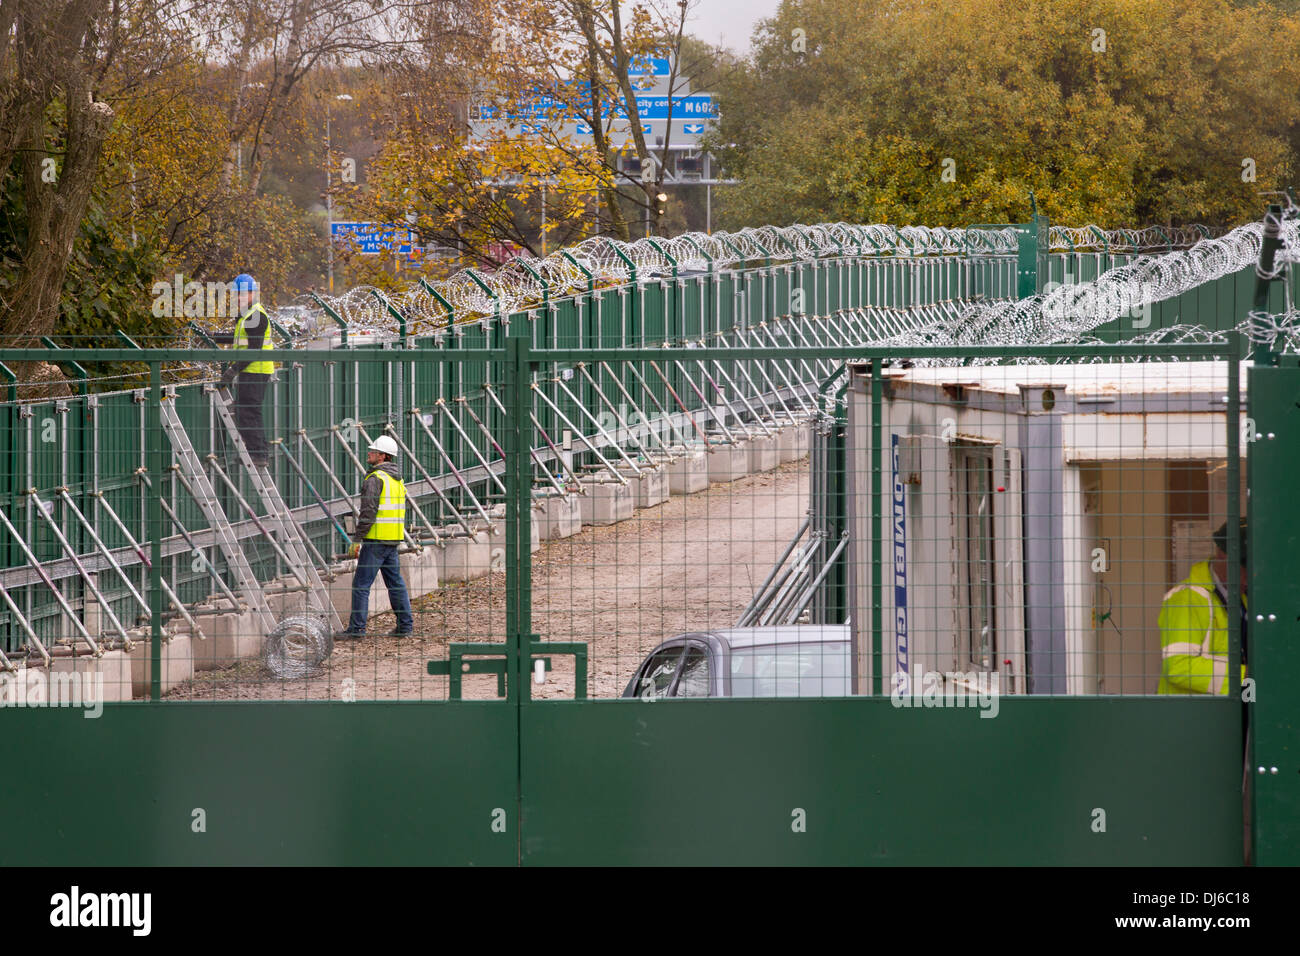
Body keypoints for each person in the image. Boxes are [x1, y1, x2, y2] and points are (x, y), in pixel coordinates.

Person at [1157, 518, 1249, 695]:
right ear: (1222, 555)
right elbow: (1178, 666)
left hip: (1228, 711)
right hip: (1193, 716)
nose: (1252, 575)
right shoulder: (1187, 598)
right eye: (1245, 567)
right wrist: (1246, 675)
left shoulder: (1241, 595)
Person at [336, 435, 414, 639]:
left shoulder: (375, 479)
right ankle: (405, 627)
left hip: (375, 541)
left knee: (361, 585)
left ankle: (356, 630)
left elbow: (368, 512)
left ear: (383, 456)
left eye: (373, 451)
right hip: (392, 540)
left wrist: (357, 539)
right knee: (395, 583)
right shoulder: (396, 480)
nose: (369, 453)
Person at [212, 274, 276, 468]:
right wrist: (213, 337)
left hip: (256, 369)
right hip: (251, 369)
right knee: (244, 411)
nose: (238, 298)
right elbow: (238, 338)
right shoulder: (248, 314)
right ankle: (256, 451)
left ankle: (259, 454)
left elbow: (254, 350)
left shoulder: (255, 315)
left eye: (242, 294)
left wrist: (233, 370)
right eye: (236, 294)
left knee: (249, 412)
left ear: (252, 293)